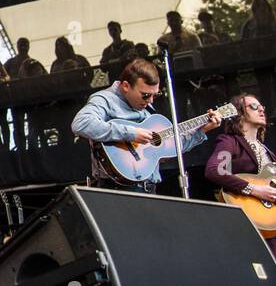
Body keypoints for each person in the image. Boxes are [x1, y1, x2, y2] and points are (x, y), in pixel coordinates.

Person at [71, 58, 220, 193]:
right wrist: (131, 133)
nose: (151, 101)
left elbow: (168, 148)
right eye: (145, 95)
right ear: (125, 86)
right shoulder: (105, 99)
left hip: (149, 188)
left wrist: (201, 131)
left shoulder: (146, 108)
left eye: (155, 95)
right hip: (119, 190)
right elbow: (81, 123)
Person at [204, 93, 275, 252]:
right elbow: (214, 170)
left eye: (262, 107)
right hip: (249, 221)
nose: (261, 110)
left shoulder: (267, 152)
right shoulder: (230, 141)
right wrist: (254, 189)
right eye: (254, 107)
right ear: (239, 113)